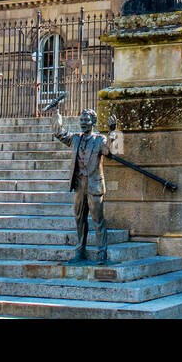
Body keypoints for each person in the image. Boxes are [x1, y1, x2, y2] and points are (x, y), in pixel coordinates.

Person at [52, 108, 117, 263]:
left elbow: (108, 151)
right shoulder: (75, 139)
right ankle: (80, 252)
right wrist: (57, 115)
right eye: (81, 120)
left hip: (94, 185)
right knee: (79, 219)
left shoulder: (99, 139)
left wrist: (112, 133)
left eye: (86, 120)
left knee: (97, 219)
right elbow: (59, 133)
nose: (83, 123)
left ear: (93, 122)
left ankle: (102, 253)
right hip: (79, 185)